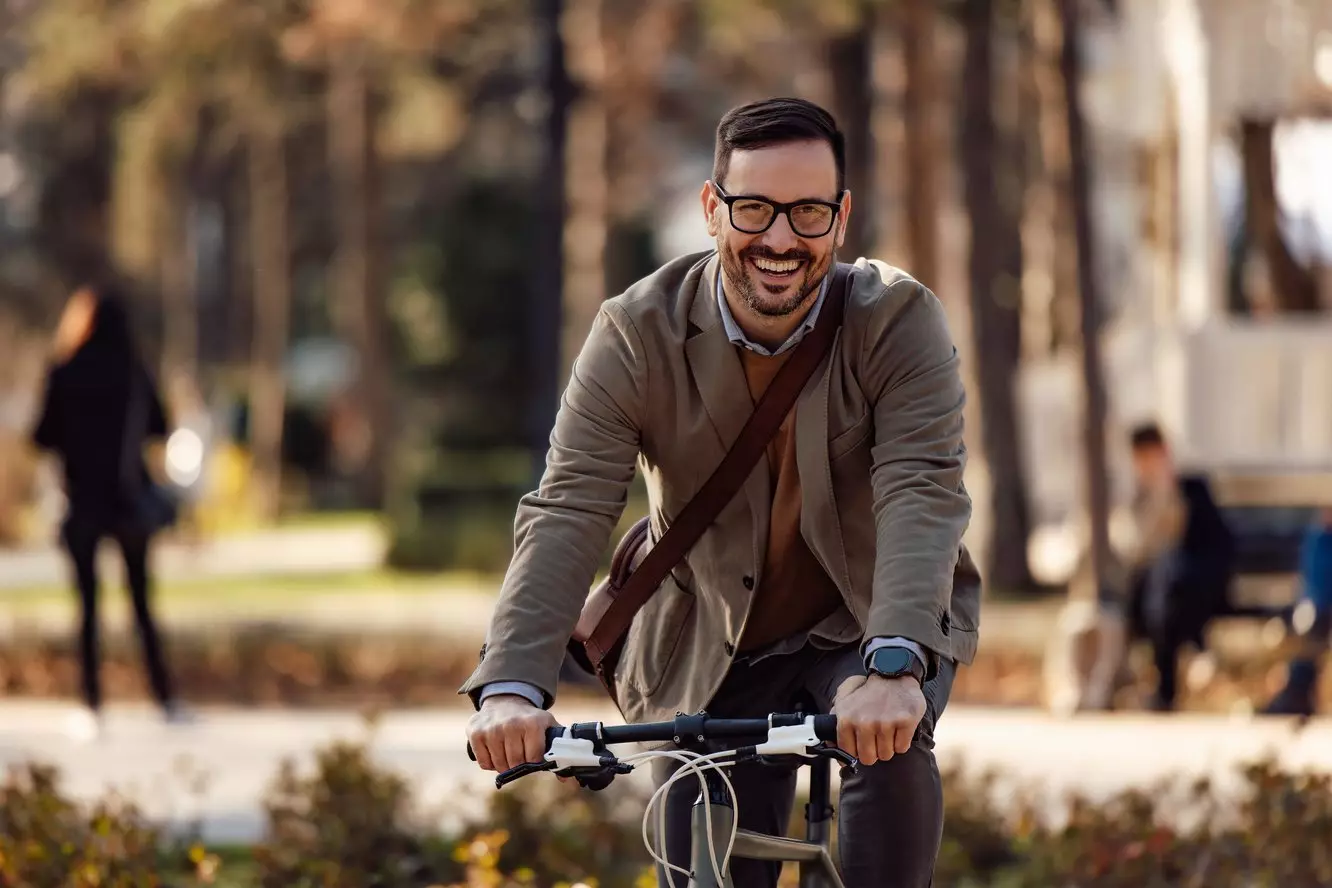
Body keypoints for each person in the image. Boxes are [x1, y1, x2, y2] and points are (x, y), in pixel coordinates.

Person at [461, 97, 980, 887]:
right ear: (711, 208)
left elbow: (921, 489)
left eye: (807, 212)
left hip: (864, 619)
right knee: (700, 846)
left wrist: (897, 662)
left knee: (889, 754)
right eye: (754, 209)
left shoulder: (896, 321)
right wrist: (511, 686)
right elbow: (570, 504)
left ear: (840, 219)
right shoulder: (637, 333)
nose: (780, 239)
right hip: (710, 634)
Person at [31, 284, 186, 740]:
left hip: (82, 500)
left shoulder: (65, 370)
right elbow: (160, 425)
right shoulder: (132, 371)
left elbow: (42, 435)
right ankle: (164, 697)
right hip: (127, 497)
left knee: (88, 609)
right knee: (141, 603)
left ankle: (91, 702)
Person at [1124, 422, 1235, 711]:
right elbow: (1140, 546)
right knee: (1158, 594)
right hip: (1162, 589)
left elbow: (1193, 537)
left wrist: (1166, 492)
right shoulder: (1139, 496)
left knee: (1168, 589)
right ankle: (1194, 651)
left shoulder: (1191, 487)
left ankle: (1171, 682)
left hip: (1197, 581)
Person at [1261, 507, 1332, 716]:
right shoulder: (1320, 537)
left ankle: (1297, 690)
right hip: (1319, 608)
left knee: (1315, 619)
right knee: (1315, 619)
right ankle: (1297, 690)